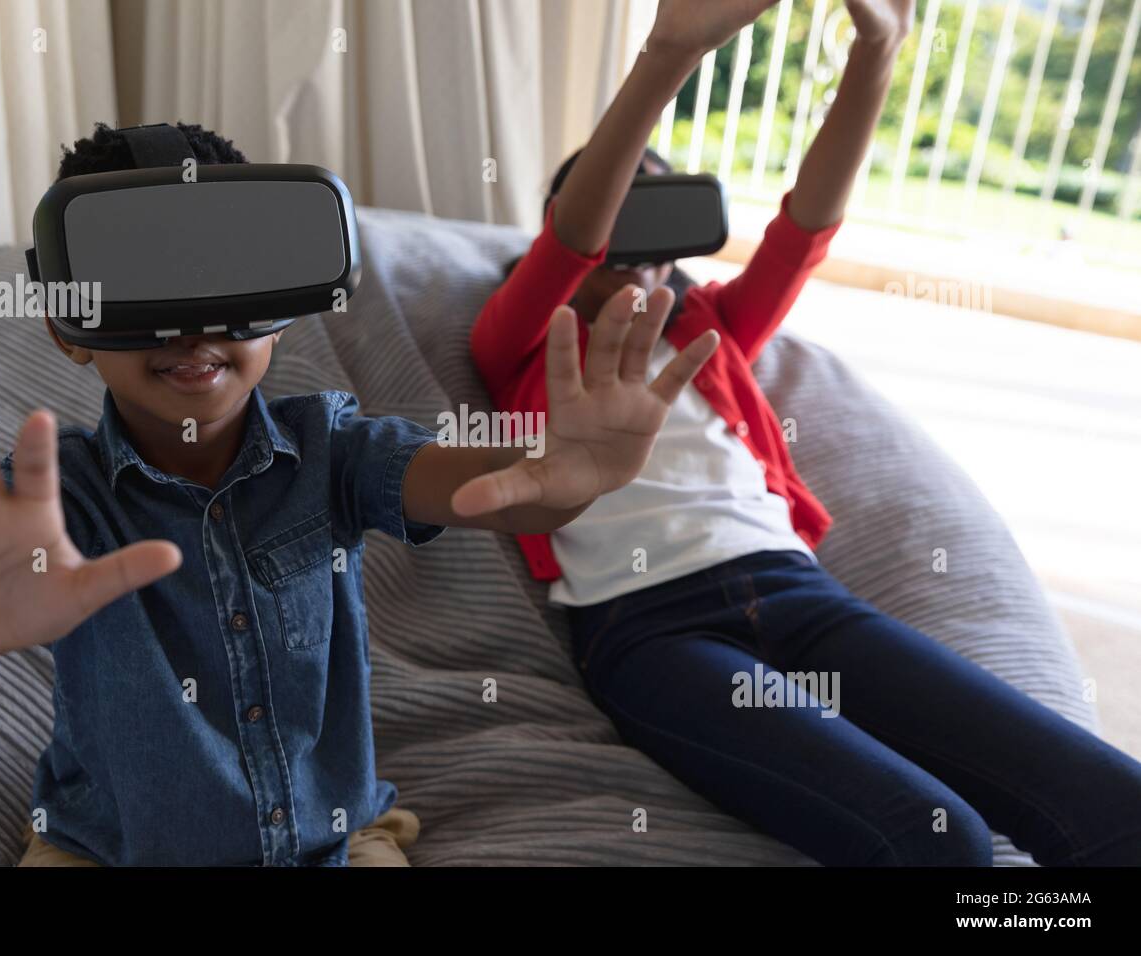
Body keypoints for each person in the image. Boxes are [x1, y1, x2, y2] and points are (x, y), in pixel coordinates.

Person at [0, 122, 718, 867]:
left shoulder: (332, 447)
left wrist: (565, 480)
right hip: (104, 849)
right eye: (142, 280)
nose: (192, 326)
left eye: (223, 276)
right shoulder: (50, 500)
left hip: (328, 840)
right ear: (70, 323)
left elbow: (489, 489)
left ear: (281, 295)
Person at [469, 0, 1141, 865]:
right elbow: (569, 246)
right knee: (943, 844)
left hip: (798, 596)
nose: (637, 254)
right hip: (653, 632)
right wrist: (670, 53)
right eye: (616, 226)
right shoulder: (525, 340)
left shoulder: (711, 330)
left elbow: (805, 229)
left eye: (659, 223)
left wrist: (877, 51)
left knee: (1114, 803)